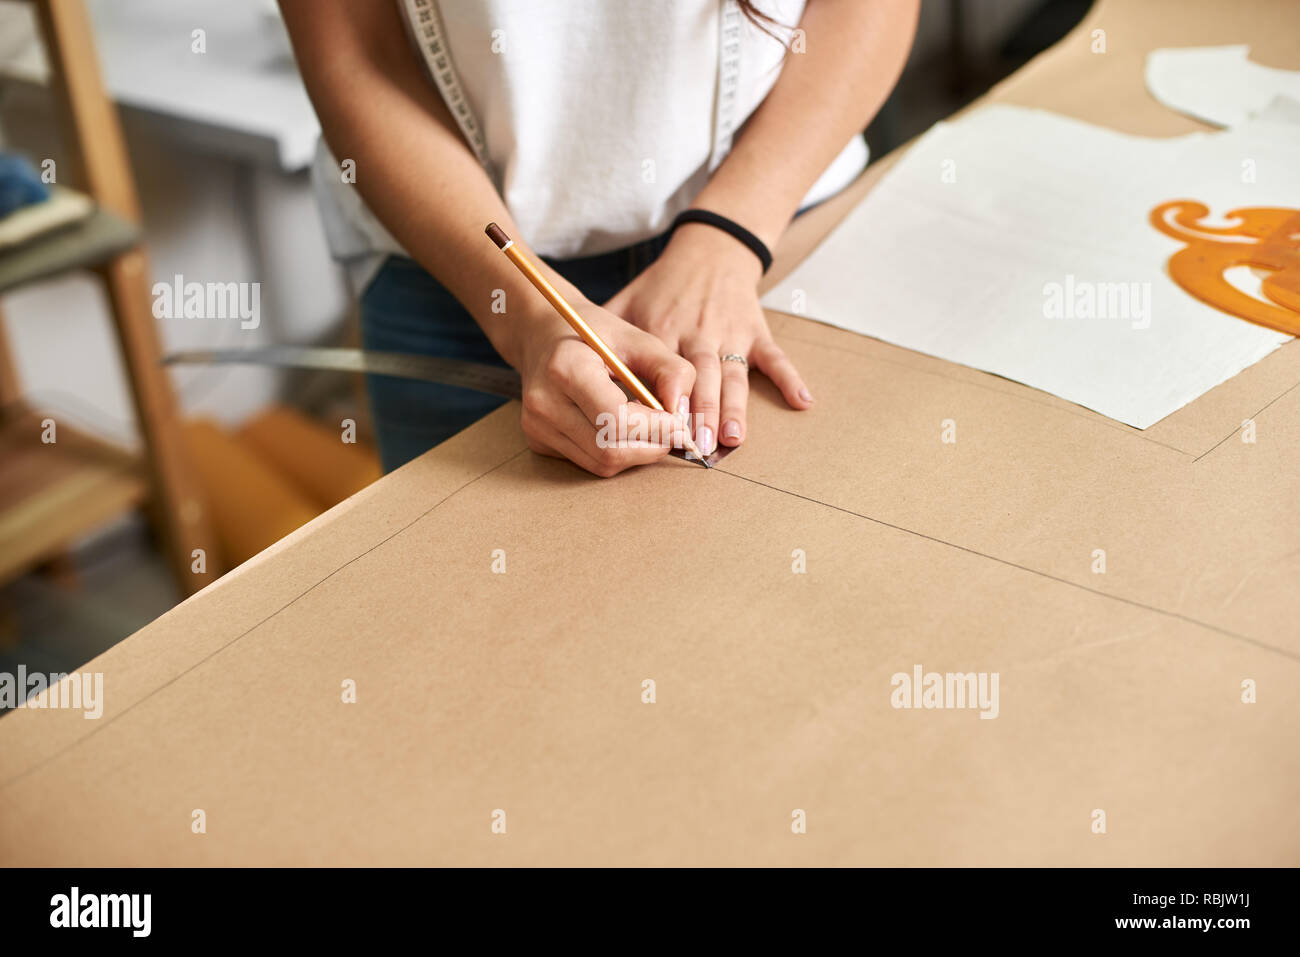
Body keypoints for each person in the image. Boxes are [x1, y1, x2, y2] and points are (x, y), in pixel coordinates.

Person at [278, 0, 918, 475]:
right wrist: (528, 317)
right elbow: (356, 54)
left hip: (779, 214)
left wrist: (730, 235)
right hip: (458, 268)